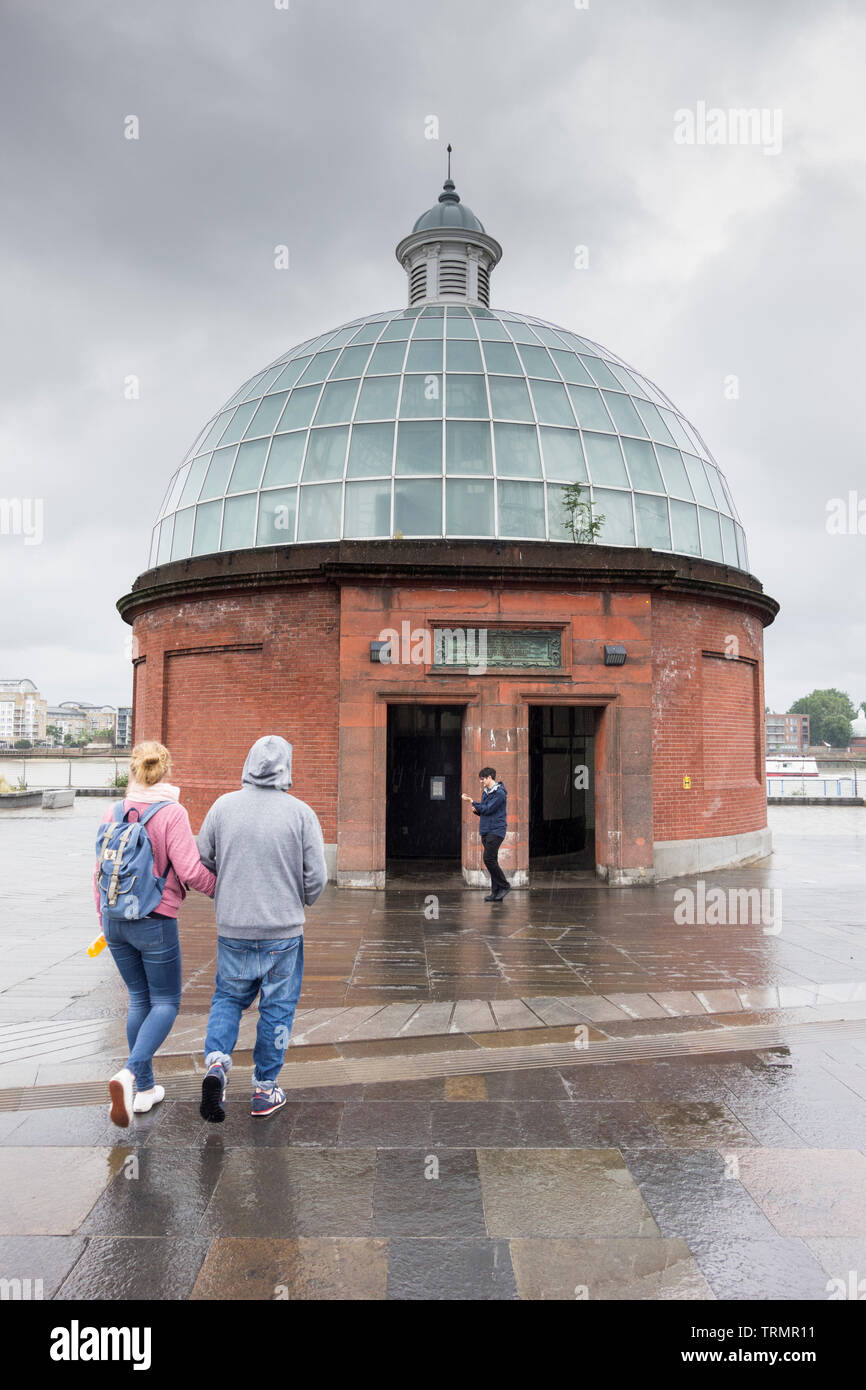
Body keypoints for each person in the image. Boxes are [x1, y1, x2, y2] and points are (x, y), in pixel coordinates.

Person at [196, 735, 327, 1122]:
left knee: (228, 998)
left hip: (233, 926)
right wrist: (300, 897)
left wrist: (230, 885)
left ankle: (217, 1064)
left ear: (248, 762)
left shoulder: (222, 807)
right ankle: (265, 1090)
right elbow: (316, 877)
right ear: (287, 766)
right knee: (277, 1009)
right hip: (282, 931)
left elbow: (203, 856)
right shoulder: (301, 813)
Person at [95, 741, 216, 1127]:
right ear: (166, 771)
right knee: (165, 1001)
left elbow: (97, 873)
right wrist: (226, 891)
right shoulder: (172, 813)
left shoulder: (113, 811)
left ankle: (144, 1089)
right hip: (154, 919)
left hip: (115, 921)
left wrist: (104, 921)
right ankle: (129, 1073)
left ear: (133, 770)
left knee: (138, 999)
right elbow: (192, 871)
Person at [461, 766, 510, 901]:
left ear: (489, 777)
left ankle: (505, 885)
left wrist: (472, 801)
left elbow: (488, 809)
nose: (481, 782)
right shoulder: (486, 792)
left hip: (496, 830)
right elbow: (485, 811)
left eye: (482, 779)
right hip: (486, 830)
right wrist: (476, 810)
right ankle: (496, 893)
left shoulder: (500, 793)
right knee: (492, 860)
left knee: (488, 859)